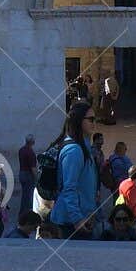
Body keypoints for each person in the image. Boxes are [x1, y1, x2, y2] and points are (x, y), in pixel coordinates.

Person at [49, 101, 100, 239]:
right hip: (71, 222)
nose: (94, 123)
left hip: (81, 218)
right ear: (79, 121)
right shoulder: (74, 151)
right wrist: (77, 219)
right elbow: (69, 188)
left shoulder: (82, 146)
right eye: (90, 119)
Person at [17, 134, 37, 221]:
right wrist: (36, 178)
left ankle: (22, 214)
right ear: (32, 142)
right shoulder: (31, 152)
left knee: (25, 196)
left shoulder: (21, 150)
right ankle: (26, 216)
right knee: (28, 197)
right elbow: (33, 168)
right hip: (28, 175)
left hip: (21, 173)